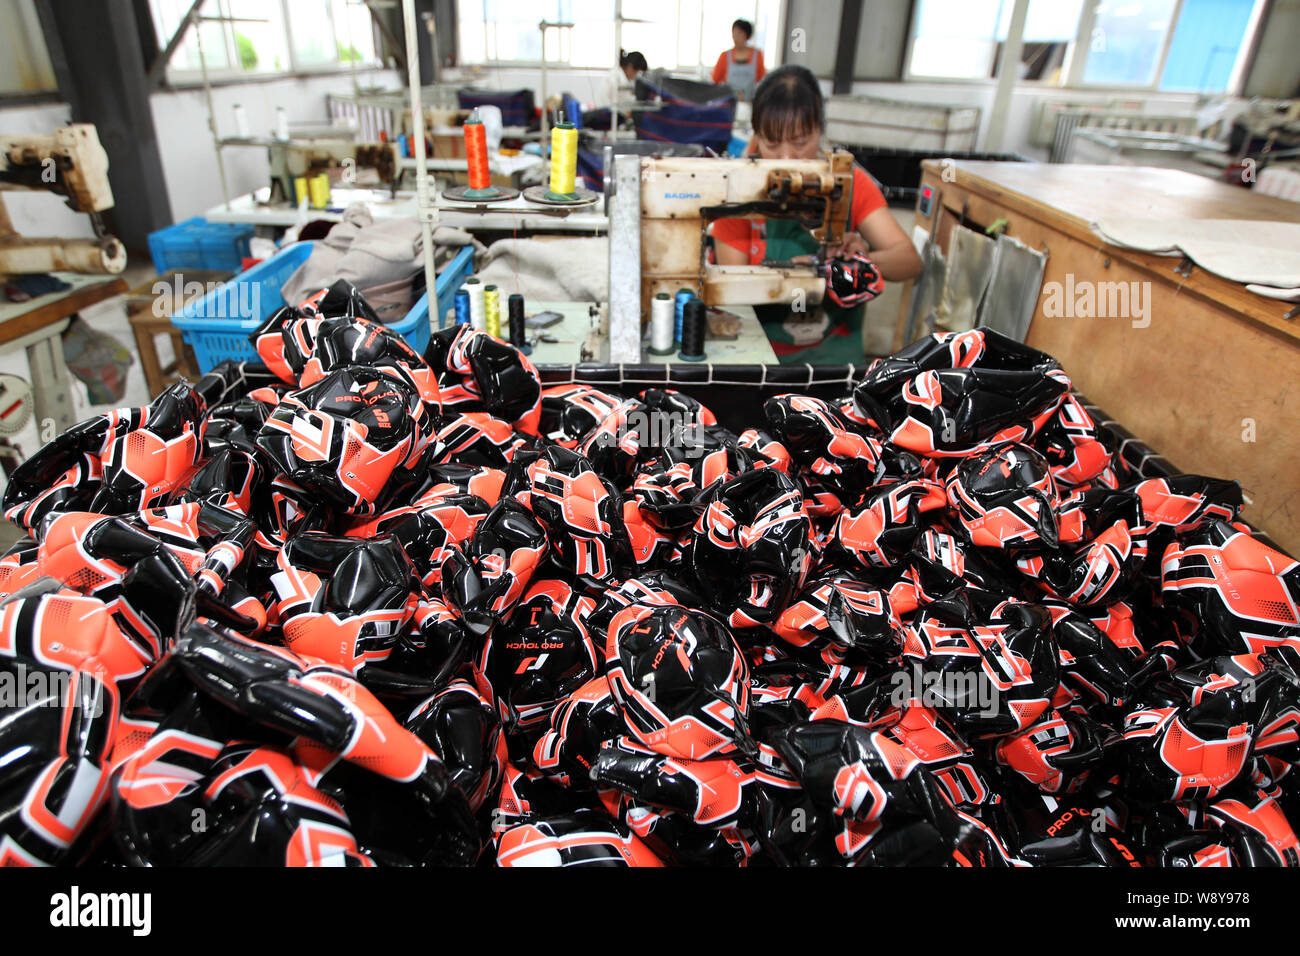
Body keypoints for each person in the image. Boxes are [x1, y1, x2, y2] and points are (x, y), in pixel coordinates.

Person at [711, 65, 923, 362]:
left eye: (800, 143)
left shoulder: (850, 183)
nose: (787, 158)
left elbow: (910, 262)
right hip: (760, 358)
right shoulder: (741, 193)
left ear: (820, 131)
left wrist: (854, 264)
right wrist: (801, 276)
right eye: (771, 143)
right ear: (756, 136)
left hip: (835, 362)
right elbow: (733, 295)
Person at [712, 19, 765, 100]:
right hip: (729, 103)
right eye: (734, 33)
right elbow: (715, 79)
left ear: (747, 35)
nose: (735, 37)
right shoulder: (725, 56)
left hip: (750, 103)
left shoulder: (757, 55)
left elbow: (762, 80)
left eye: (739, 33)